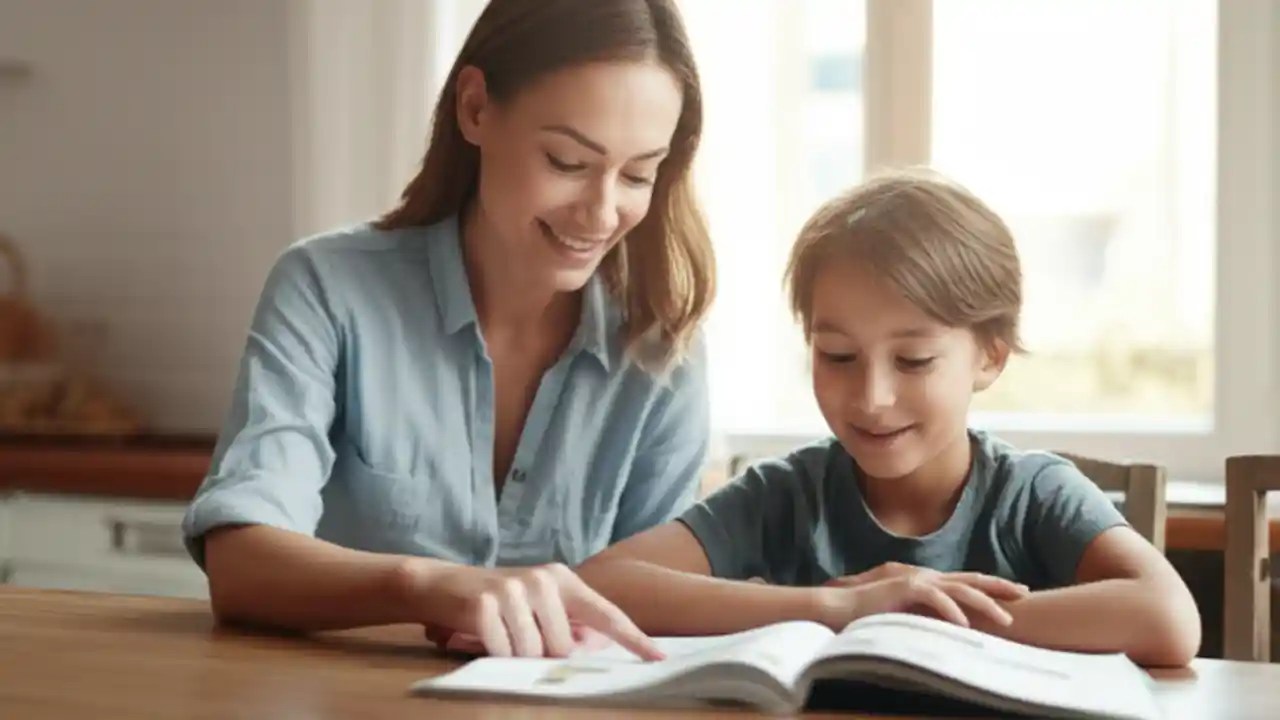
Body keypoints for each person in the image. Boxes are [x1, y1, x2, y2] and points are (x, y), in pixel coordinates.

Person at [181, 0, 715, 660]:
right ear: (475, 109)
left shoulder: (663, 349)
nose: (603, 212)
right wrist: (427, 585)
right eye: (567, 162)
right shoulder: (326, 288)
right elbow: (239, 564)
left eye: (638, 173)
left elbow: (653, 604)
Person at [578, 169, 1202, 667]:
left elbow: (1169, 618)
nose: (871, 397)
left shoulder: (1032, 494)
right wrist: (835, 606)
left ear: (990, 356)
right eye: (838, 355)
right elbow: (600, 585)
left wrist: (915, 619)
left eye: (913, 359)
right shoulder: (788, 495)